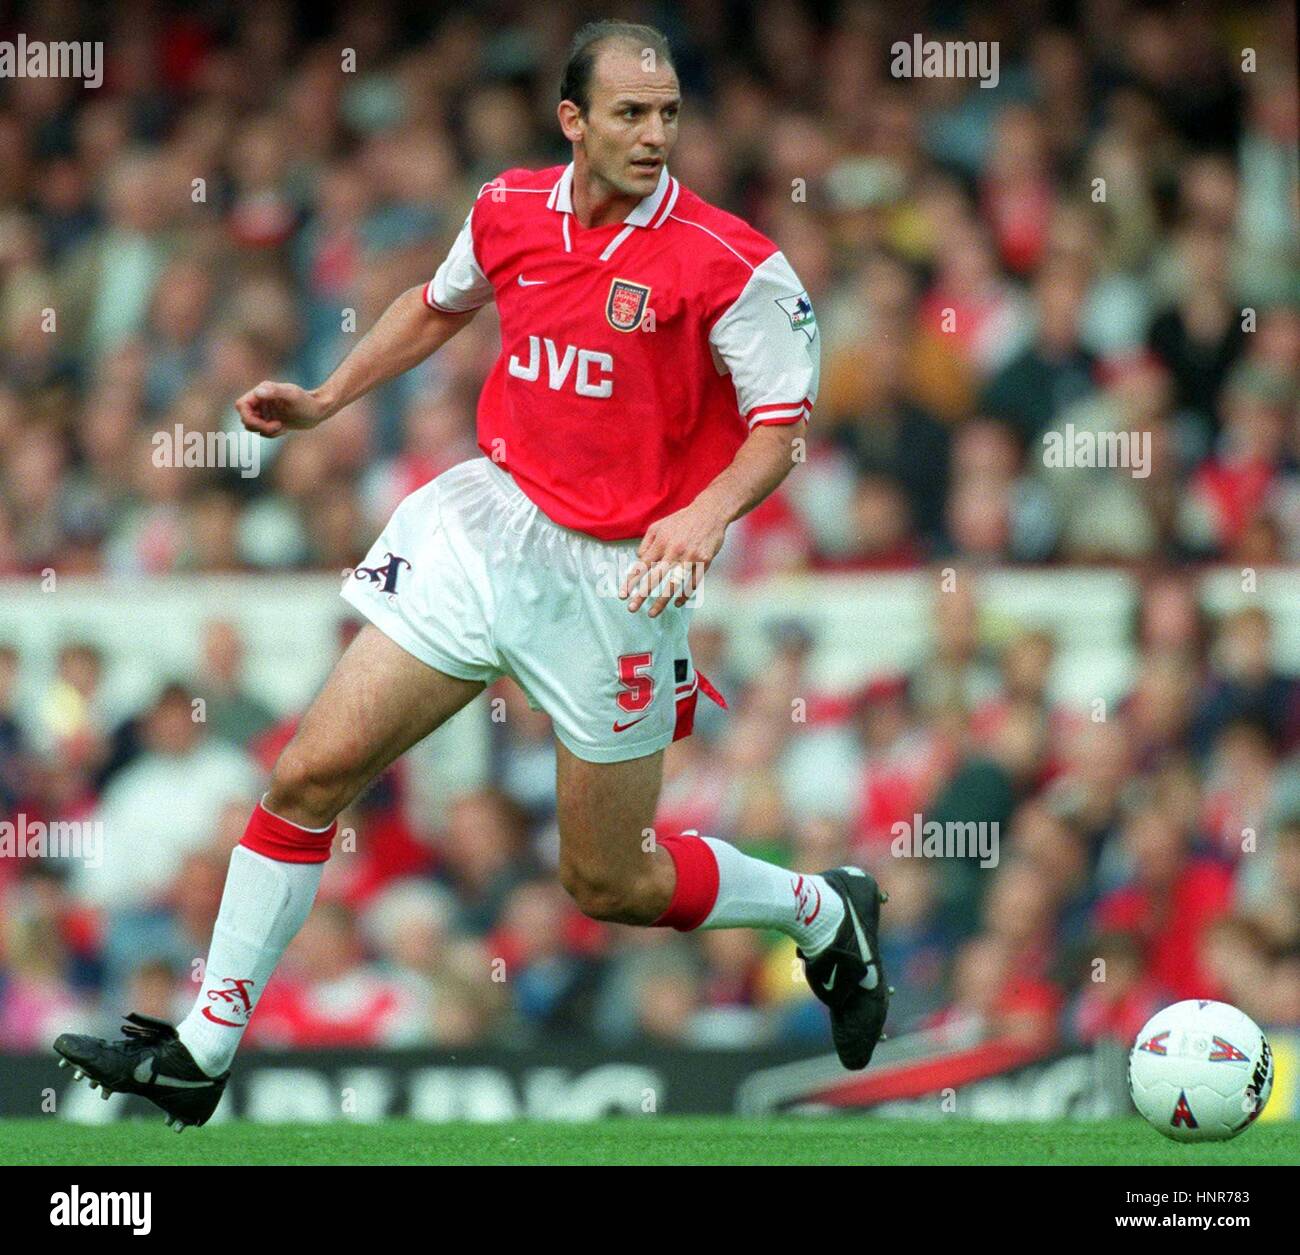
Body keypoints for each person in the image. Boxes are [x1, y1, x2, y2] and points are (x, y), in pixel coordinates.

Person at [53, 19, 888, 1130]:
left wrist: (702, 511)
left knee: (608, 880)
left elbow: (779, 428)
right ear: (572, 120)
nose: (654, 134)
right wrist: (327, 397)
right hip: (484, 524)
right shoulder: (506, 210)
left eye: (670, 113)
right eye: (630, 113)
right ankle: (203, 1053)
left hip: (616, 578)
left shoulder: (728, 263)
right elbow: (437, 307)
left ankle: (821, 910)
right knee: (308, 774)